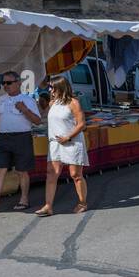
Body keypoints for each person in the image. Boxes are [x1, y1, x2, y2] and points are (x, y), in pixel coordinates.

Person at [0, 71, 41, 212]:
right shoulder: (1, 100)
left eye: (9, 82)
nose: (5, 85)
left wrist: (24, 110)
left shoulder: (28, 100)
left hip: (21, 137)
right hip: (3, 138)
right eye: (3, 83)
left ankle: (24, 200)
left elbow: (37, 121)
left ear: (18, 83)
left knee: (22, 171)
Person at [36, 76, 88, 216]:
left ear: (60, 87)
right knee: (51, 173)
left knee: (75, 174)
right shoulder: (53, 103)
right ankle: (48, 206)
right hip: (55, 143)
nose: (50, 90)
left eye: (52, 87)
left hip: (72, 142)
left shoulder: (73, 103)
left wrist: (68, 137)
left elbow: (82, 124)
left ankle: (82, 203)